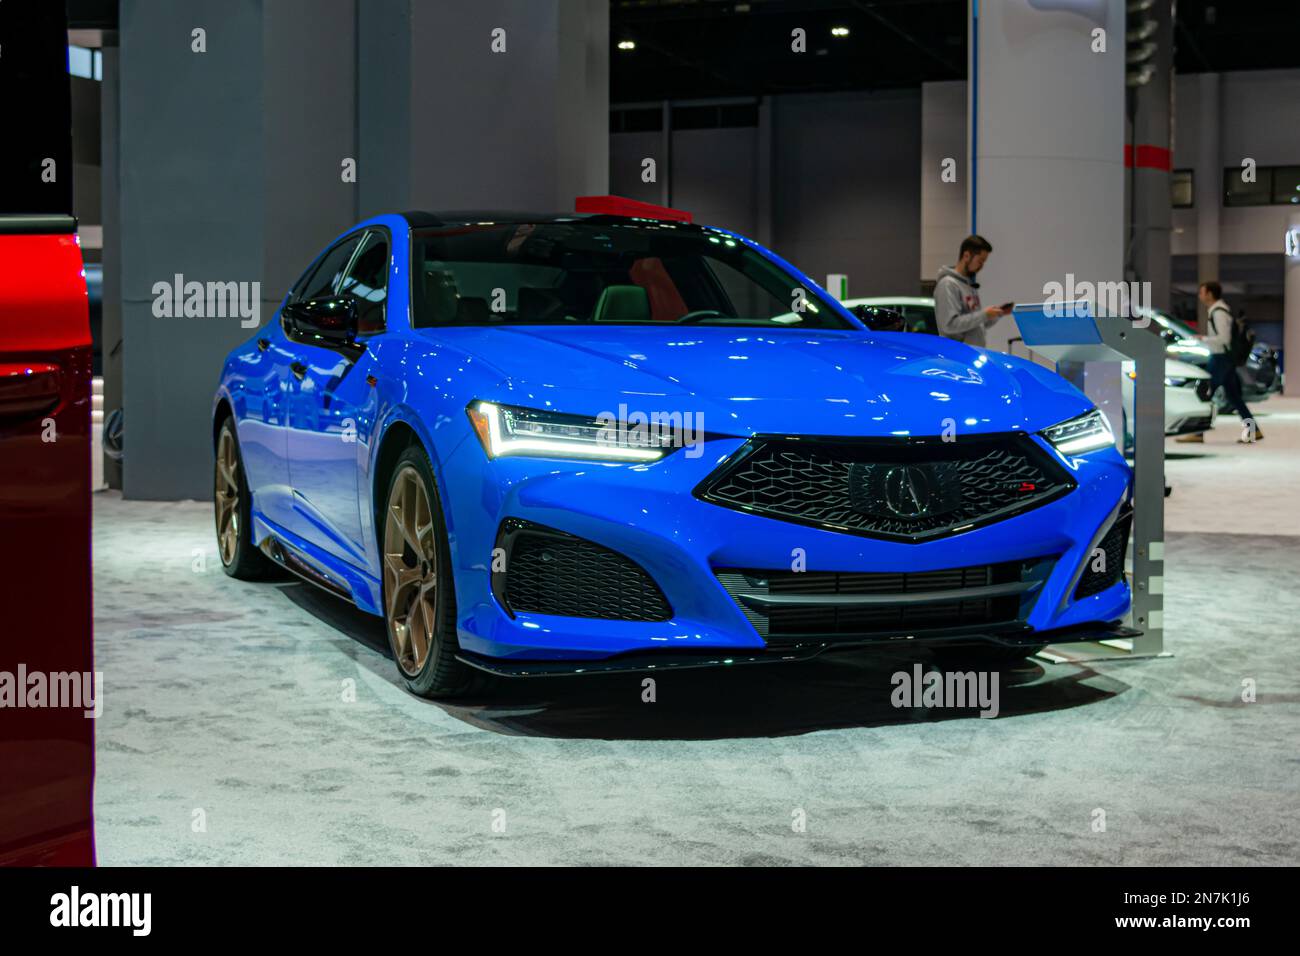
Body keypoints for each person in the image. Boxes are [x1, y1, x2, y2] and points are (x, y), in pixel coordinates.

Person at [1199, 281, 1263, 443]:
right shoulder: (1219, 310)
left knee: (1206, 393)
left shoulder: (1218, 312)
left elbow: (1223, 338)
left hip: (1221, 358)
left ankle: (1197, 431)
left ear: (1210, 294)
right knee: (1234, 397)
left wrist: (1204, 339)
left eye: (1202, 292)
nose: (1200, 295)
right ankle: (1253, 429)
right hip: (1224, 358)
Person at [934, 235, 1011, 346]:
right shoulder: (948, 284)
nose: (981, 266)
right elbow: (949, 325)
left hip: (972, 354)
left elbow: (976, 324)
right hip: (958, 356)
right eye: (980, 261)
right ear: (966, 256)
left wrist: (998, 314)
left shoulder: (968, 285)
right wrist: (984, 314)